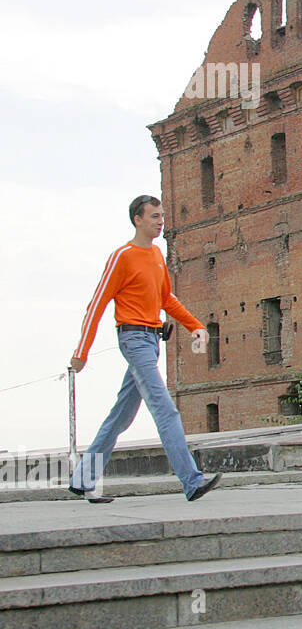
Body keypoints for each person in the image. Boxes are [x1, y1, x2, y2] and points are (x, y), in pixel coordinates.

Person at [67, 195, 222, 502]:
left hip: (152, 342)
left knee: (120, 416)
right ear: (137, 219)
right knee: (165, 409)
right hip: (134, 341)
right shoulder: (122, 257)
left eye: (162, 215)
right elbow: (97, 305)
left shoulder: (156, 256)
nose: (160, 220)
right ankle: (192, 480)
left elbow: (167, 299)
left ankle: (82, 479)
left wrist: (196, 326)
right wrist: (82, 352)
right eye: (154, 216)